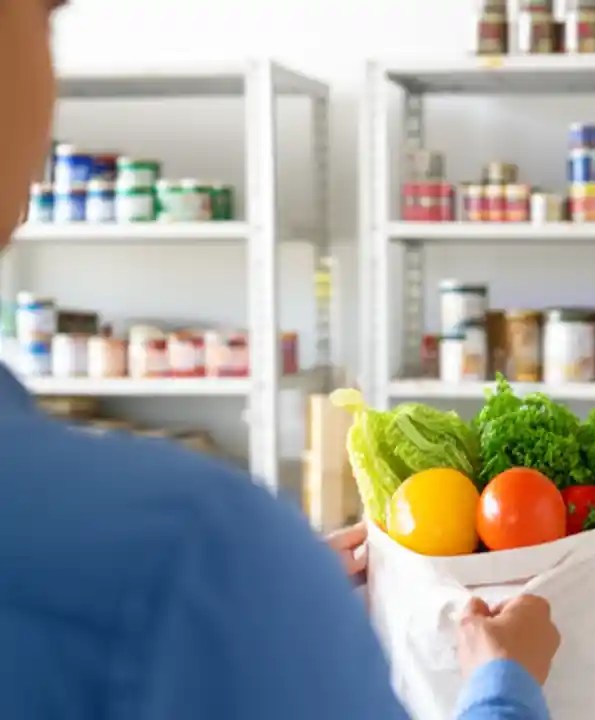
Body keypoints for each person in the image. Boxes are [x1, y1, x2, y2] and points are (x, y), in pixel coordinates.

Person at [0, 2, 555, 718]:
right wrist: (507, 684)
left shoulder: (198, 566)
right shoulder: (191, 551)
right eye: (45, 18)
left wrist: (266, 604)